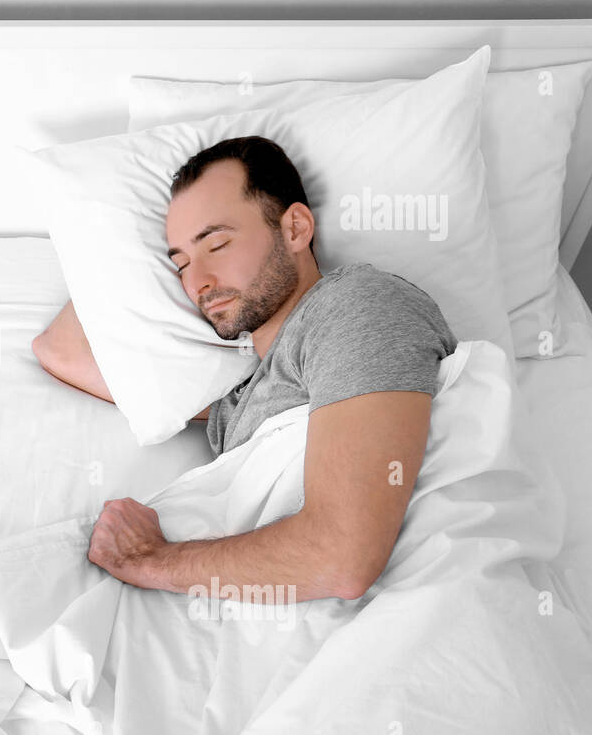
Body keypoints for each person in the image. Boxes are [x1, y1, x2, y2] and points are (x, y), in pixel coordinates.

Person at [30, 136, 458, 602]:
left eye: (216, 243)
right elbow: (59, 350)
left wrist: (148, 559)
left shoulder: (356, 306)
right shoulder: (236, 405)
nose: (198, 282)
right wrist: (110, 255)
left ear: (294, 228)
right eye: (180, 264)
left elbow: (344, 557)